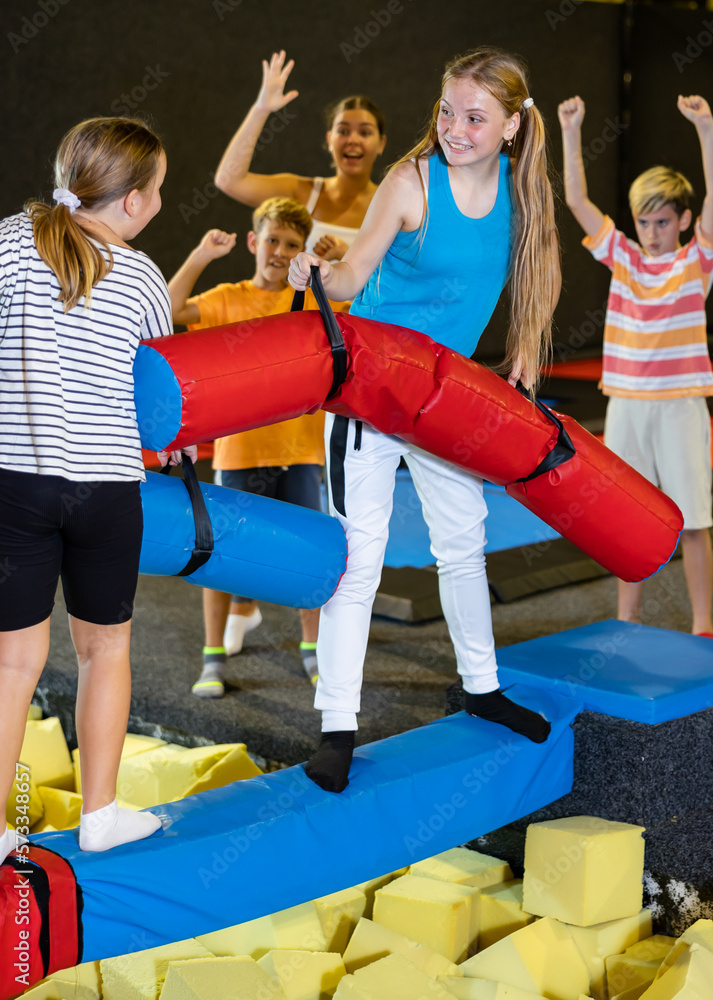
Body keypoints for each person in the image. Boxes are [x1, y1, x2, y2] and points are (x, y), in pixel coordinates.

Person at [289, 47, 561, 793]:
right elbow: (351, 274)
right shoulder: (410, 182)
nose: (454, 128)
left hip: (446, 399)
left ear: (510, 125)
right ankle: (337, 725)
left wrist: (524, 358)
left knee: (463, 541)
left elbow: (535, 277)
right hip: (370, 391)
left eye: (474, 116)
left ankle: (482, 686)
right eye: (446, 111)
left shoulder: (521, 191)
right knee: (359, 557)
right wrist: (316, 272)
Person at [0, 117, 174, 858]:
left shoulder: (10, 241)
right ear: (132, 202)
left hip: (15, 481)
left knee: (11, 661)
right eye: (159, 189)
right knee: (106, 650)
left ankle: (1, 830)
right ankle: (100, 815)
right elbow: (163, 397)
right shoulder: (142, 277)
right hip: (104, 490)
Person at [558, 94, 713, 637]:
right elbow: (576, 197)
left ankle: (703, 623)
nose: (651, 232)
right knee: (629, 519)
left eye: (661, 221)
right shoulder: (623, 257)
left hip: (680, 406)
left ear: (682, 220)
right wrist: (571, 129)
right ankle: (626, 619)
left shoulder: (695, 260)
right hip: (627, 403)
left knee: (694, 519)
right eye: (643, 222)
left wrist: (705, 126)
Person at [167, 197, 328, 695]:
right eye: (273, 241)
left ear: (302, 250)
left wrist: (337, 262)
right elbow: (170, 309)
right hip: (240, 453)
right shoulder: (228, 298)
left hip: (301, 450)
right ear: (255, 242)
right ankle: (212, 657)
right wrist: (200, 254)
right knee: (216, 553)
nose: (280, 252)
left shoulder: (316, 296)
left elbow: (368, 308)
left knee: (310, 555)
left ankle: (314, 650)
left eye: (292, 244)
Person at [214, 50, 387, 264]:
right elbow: (229, 180)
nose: (353, 139)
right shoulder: (303, 192)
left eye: (365, 132)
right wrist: (261, 109)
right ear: (329, 140)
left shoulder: (389, 203)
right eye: (343, 131)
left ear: (381, 143)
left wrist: (346, 255)